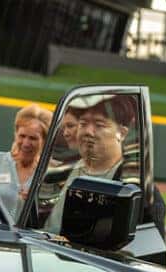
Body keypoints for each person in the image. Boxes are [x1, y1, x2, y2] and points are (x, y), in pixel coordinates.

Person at [43, 95, 136, 234]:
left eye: (99, 125)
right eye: (83, 124)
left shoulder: (132, 185)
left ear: (121, 133)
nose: (88, 131)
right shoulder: (63, 171)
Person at [0, 103, 51, 218]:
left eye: (33, 138)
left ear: (44, 140)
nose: (26, 143)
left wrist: (36, 204)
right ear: (15, 134)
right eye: (22, 136)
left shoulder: (49, 172)